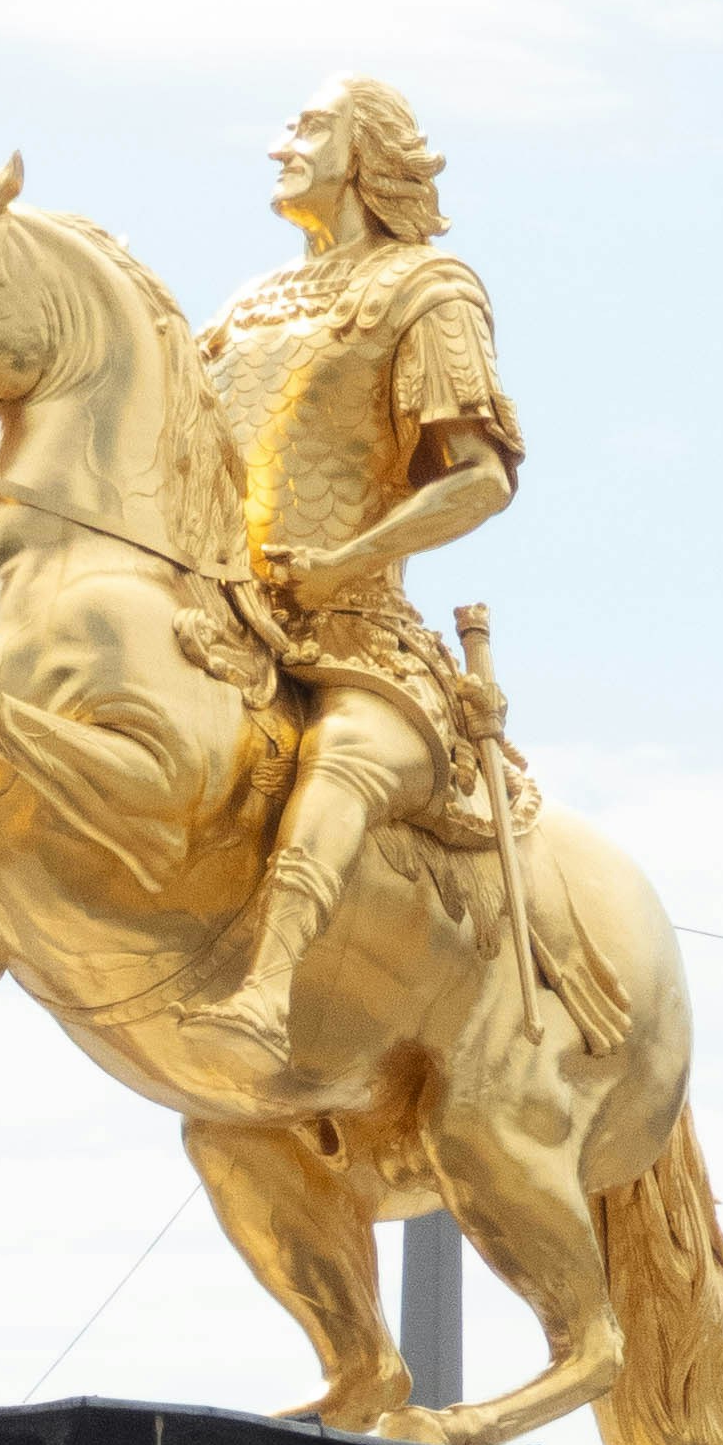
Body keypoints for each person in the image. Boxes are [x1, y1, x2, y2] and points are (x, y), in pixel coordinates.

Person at [190, 76, 524, 1085]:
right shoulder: (246, 306)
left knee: (345, 755)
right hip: (218, 607)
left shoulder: (429, 288)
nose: (279, 145)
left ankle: (264, 988)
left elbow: (479, 479)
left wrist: (343, 560)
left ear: (366, 153)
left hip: (351, 624)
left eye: (306, 126)